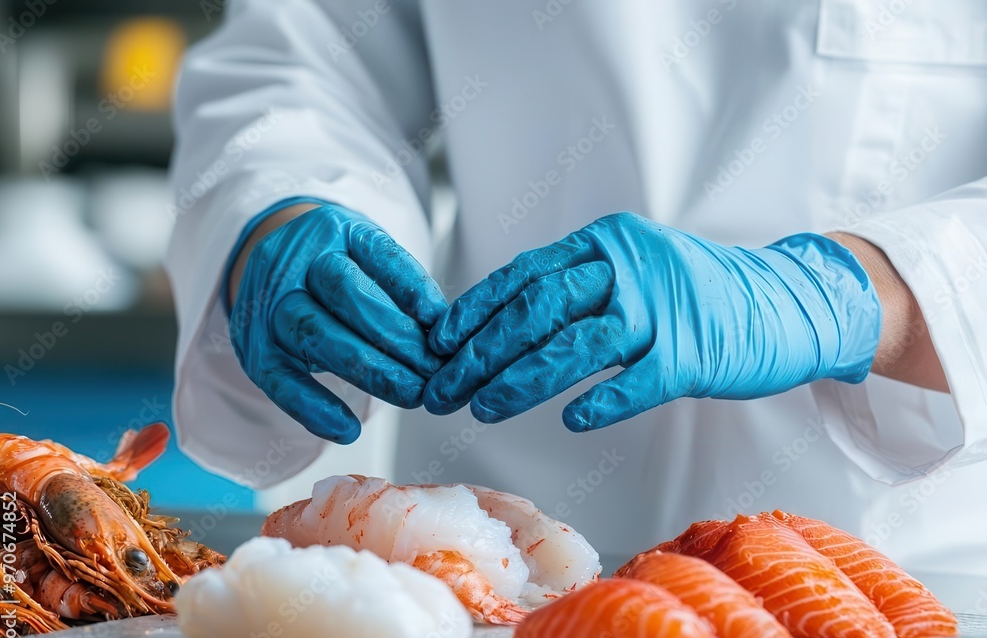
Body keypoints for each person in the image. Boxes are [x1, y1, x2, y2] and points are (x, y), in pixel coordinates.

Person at [167, 1, 987, 570]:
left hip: (897, 573)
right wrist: (276, 210)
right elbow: (307, 57)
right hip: (490, 559)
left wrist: (854, 299)